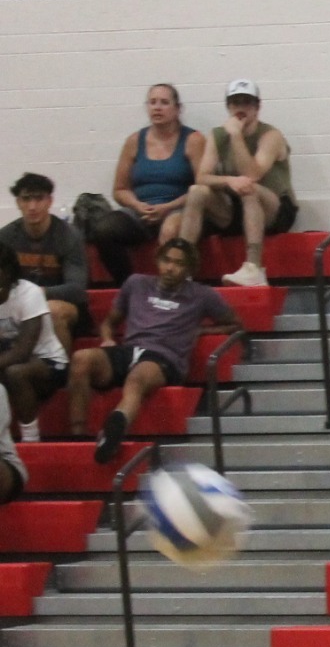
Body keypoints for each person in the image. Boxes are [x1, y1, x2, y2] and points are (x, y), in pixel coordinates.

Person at [68, 238, 241, 465]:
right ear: (158, 261)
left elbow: (236, 323)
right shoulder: (136, 283)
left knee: (137, 378)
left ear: (188, 269)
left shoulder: (202, 295)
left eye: (178, 263)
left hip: (164, 358)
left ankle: (115, 427)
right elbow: (109, 323)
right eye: (166, 260)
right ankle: (78, 438)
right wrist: (108, 339)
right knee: (81, 359)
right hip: (128, 350)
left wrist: (204, 330)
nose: (170, 267)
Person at [182, 80, 296, 288]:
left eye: (247, 103)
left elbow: (252, 174)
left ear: (257, 107)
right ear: (228, 107)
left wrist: (235, 136)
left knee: (248, 188)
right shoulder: (217, 135)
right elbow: (202, 177)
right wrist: (228, 180)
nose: (241, 108)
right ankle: (183, 266)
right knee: (197, 191)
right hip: (238, 206)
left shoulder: (270, 136)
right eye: (235, 103)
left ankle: (254, 267)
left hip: (275, 208)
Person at [104, 84, 207, 276]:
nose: (157, 108)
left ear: (178, 109)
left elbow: (203, 188)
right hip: (143, 211)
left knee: (170, 229)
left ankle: (169, 288)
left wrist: (168, 207)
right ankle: (128, 285)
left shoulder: (193, 140)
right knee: (105, 230)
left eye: (164, 103)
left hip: (178, 208)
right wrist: (137, 205)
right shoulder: (134, 141)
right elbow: (119, 189)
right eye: (152, 103)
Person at [2, 173, 90, 353]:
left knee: (52, 311)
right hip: (20, 306)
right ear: (18, 203)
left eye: (39, 199)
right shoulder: (6, 237)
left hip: (62, 306)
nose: (32, 206)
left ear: (50, 201)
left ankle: (59, 371)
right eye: (26, 199)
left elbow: (77, 290)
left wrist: (37, 294)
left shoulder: (69, 236)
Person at [0, 245, 71, 437]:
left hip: (49, 363)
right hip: (7, 360)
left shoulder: (28, 293)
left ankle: (31, 440)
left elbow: (23, 351)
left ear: (8, 272)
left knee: (15, 373)